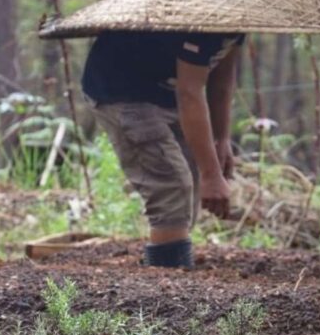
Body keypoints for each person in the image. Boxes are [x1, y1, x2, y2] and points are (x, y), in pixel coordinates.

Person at [81, 30, 244, 268]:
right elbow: (189, 94)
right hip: (123, 89)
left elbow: (221, 80)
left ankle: (174, 260)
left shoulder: (239, 19)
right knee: (173, 182)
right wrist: (212, 174)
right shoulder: (204, 20)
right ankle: (166, 280)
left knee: (193, 172)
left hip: (168, 92)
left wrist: (221, 138)